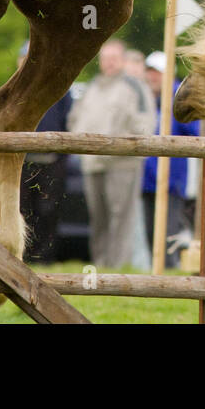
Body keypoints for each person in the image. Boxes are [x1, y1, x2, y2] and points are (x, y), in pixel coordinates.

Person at [65, 39, 157, 268]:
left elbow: (147, 123)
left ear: (123, 60)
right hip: (92, 162)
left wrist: (126, 135)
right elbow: (74, 119)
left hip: (122, 163)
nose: (109, 63)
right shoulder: (93, 86)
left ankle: (117, 267)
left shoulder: (136, 87)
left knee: (120, 217)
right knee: (98, 218)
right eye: (105, 58)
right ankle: (100, 263)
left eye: (114, 59)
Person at [140, 51, 199, 268]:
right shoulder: (148, 97)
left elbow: (196, 131)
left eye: (157, 73)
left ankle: (170, 269)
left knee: (168, 231)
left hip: (171, 178)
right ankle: (158, 270)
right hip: (148, 178)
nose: (152, 77)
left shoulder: (179, 98)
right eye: (151, 72)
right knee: (150, 231)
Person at [16, 41, 73, 263]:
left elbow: (68, 121)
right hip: (22, 161)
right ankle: (23, 255)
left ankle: (44, 257)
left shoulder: (59, 86)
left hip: (51, 161)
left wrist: (61, 157)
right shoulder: (14, 89)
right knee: (22, 209)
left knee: (48, 211)